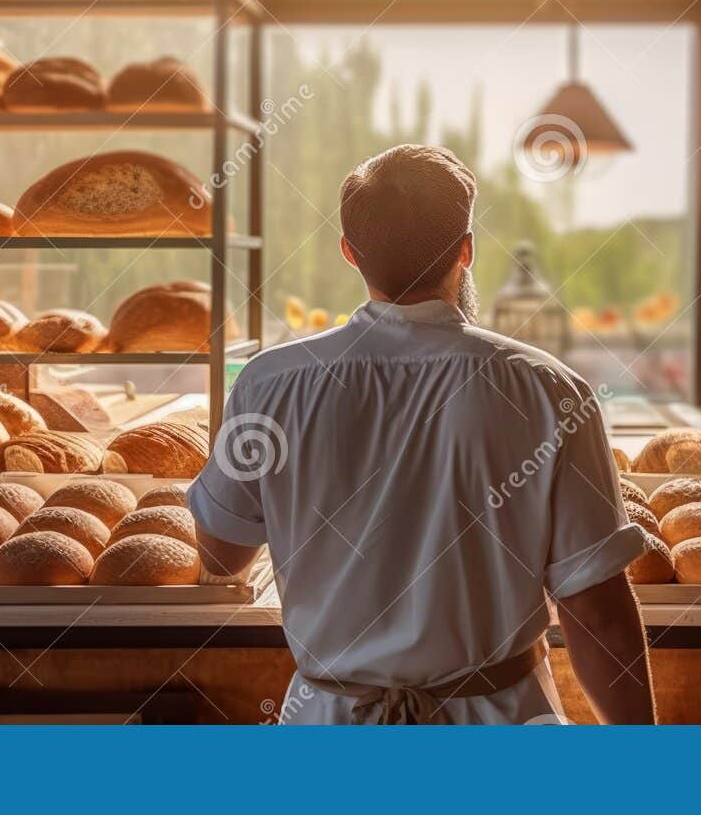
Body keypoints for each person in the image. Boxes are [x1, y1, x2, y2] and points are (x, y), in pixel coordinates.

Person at [189, 144, 655, 724]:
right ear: (467, 250)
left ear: (350, 254)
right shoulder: (549, 390)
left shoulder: (268, 385)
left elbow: (222, 554)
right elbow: (599, 615)